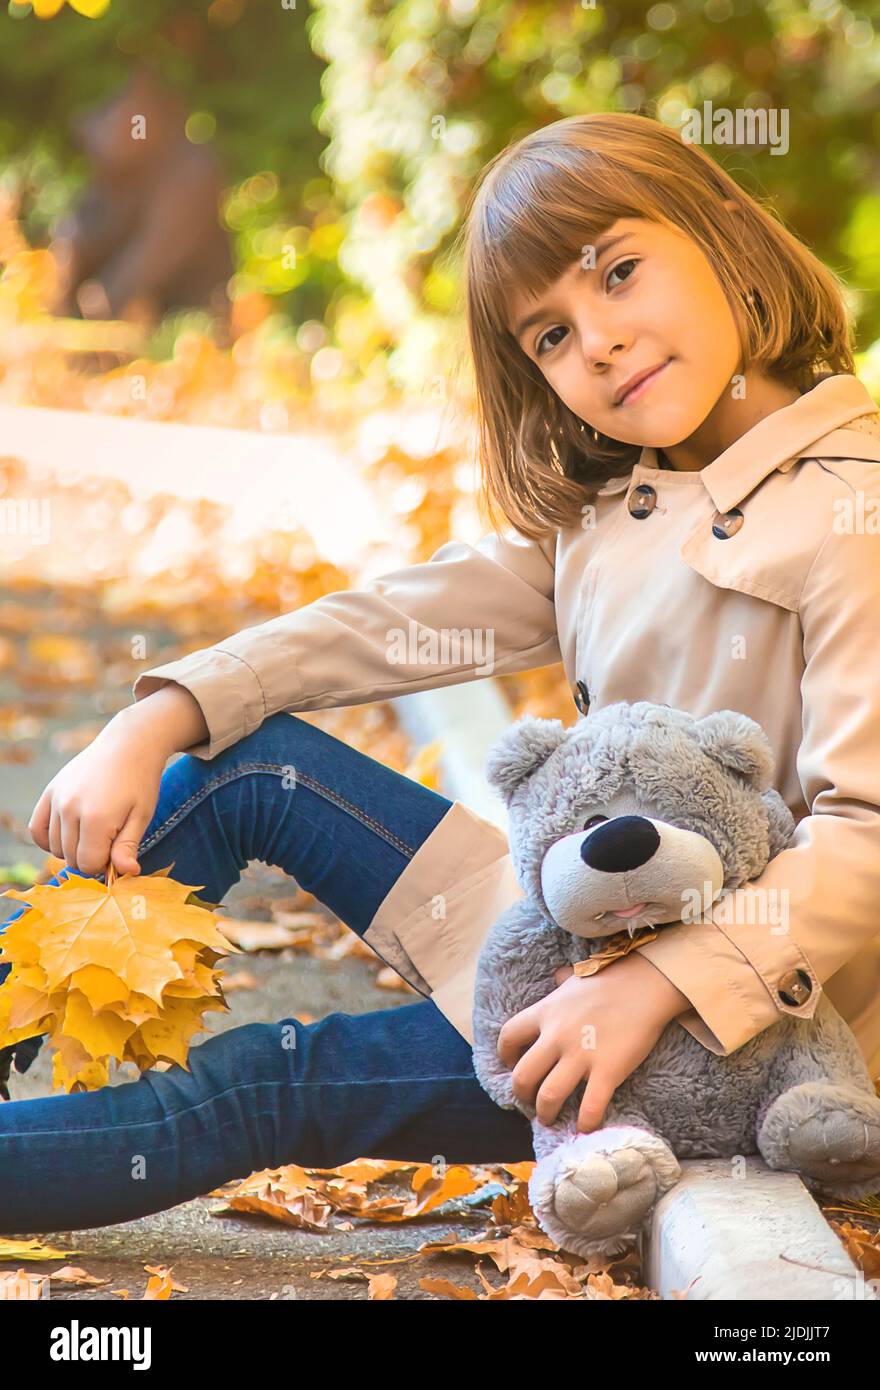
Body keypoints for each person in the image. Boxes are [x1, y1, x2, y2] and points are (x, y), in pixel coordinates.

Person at [2, 111, 879, 1235]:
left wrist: (656, 983)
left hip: (728, 1048)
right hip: (562, 936)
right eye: (549, 337)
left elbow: (863, 838)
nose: (597, 342)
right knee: (250, 766)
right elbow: (396, 619)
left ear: (724, 237)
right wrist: (163, 712)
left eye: (618, 274)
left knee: (271, 1083)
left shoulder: (849, 508)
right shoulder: (621, 505)